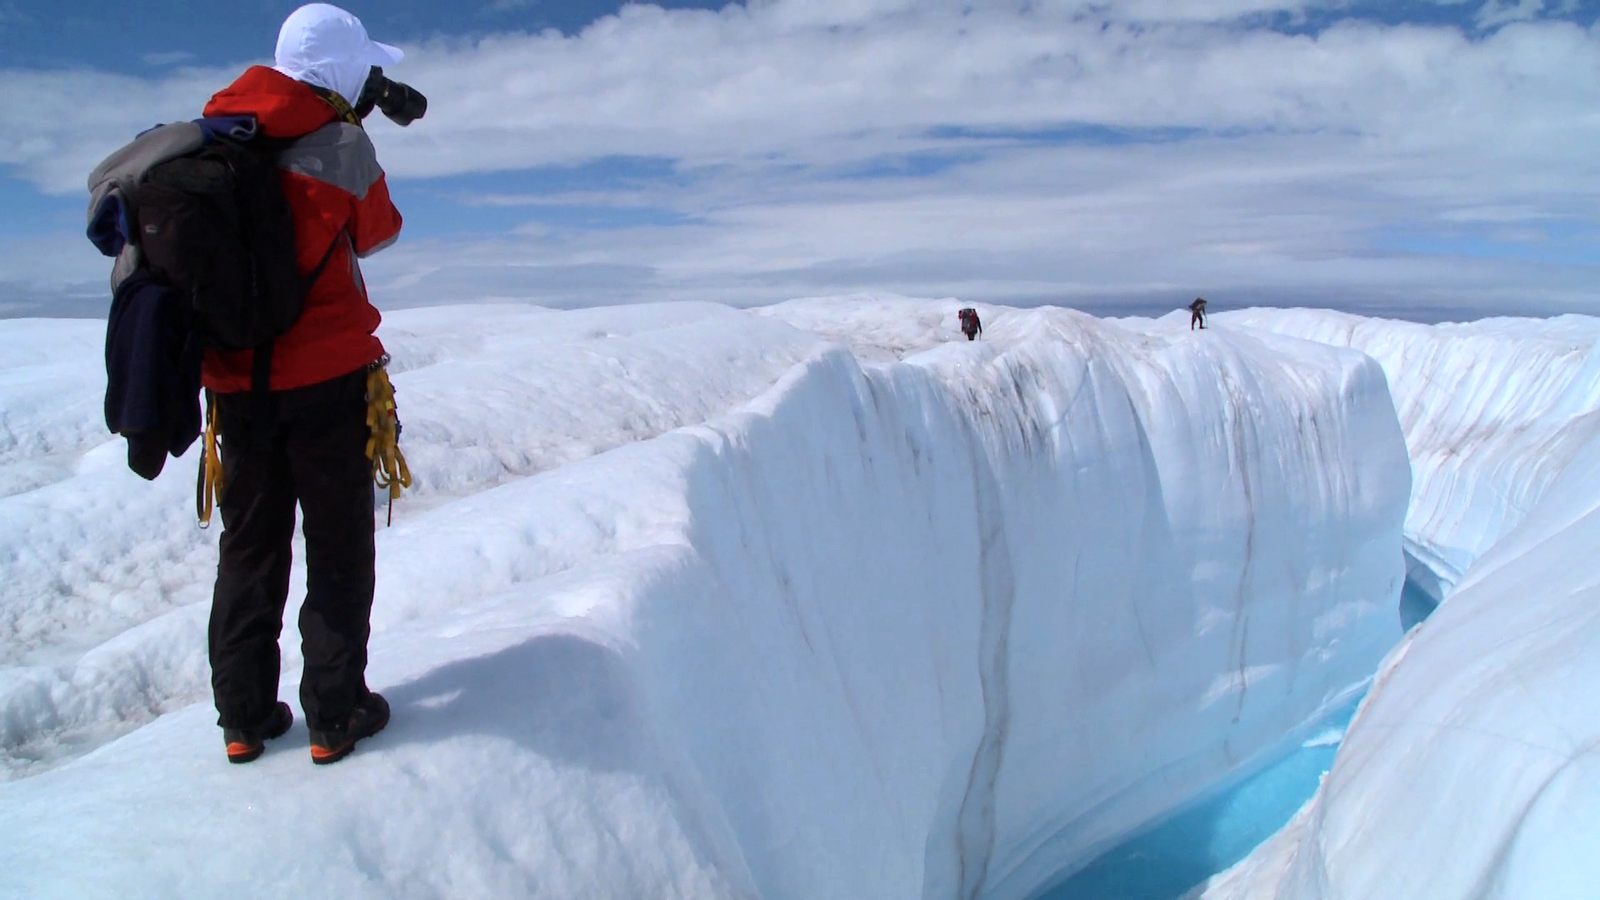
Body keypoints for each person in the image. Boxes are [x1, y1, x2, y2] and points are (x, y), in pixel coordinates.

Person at [205, 3, 405, 765]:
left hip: (235, 385)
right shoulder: (341, 141)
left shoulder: (216, 134)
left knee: (249, 547)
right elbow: (377, 232)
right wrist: (356, 136)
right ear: (341, 72)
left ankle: (244, 719)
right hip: (325, 380)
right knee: (338, 545)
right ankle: (336, 712)